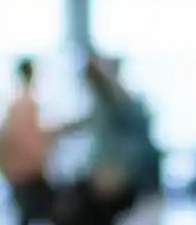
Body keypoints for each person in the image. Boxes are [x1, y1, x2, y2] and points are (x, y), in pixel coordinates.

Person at [55, 56, 153, 225]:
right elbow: (85, 122)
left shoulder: (128, 107)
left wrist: (119, 171)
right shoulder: (101, 107)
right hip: (96, 178)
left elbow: (139, 147)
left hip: (118, 180)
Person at [0, 58, 56, 225]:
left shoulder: (14, 104)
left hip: (18, 171)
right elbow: (30, 142)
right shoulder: (27, 104)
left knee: (26, 216)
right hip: (28, 172)